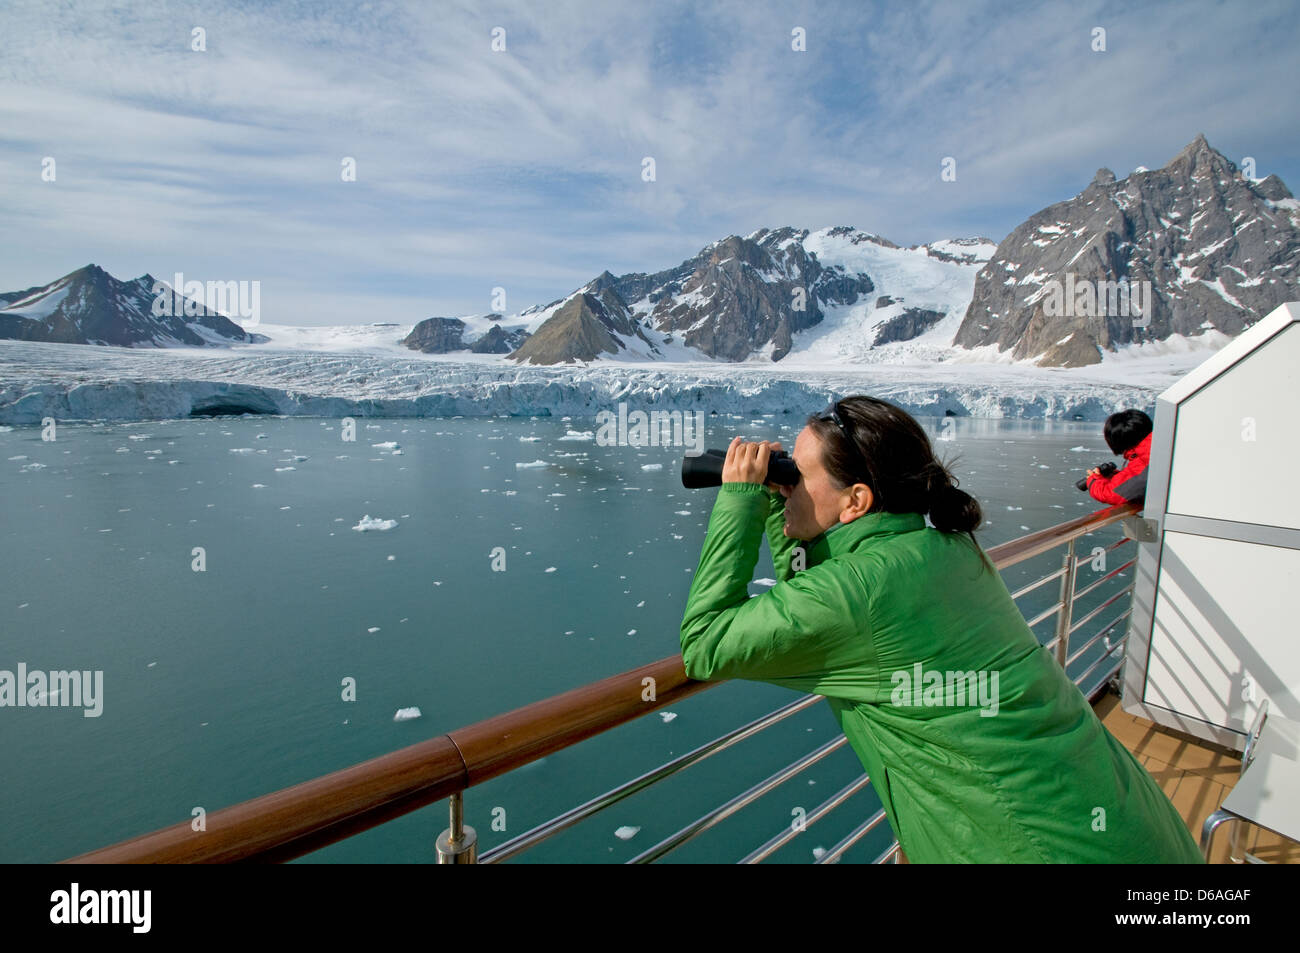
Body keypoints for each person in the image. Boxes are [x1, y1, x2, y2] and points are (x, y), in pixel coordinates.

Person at [679, 396, 1203, 863]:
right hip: (1116, 817)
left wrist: (740, 500)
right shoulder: (943, 547)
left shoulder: (855, 591)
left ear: (856, 502)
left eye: (798, 475)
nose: (786, 483)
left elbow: (705, 644)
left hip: (1030, 845)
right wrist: (781, 504)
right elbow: (813, 589)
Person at [1086, 409, 1153, 505]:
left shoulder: (1145, 459)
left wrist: (1093, 480)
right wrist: (1116, 477)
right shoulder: (1155, 449)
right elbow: (1137, 478)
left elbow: (1112, 494)